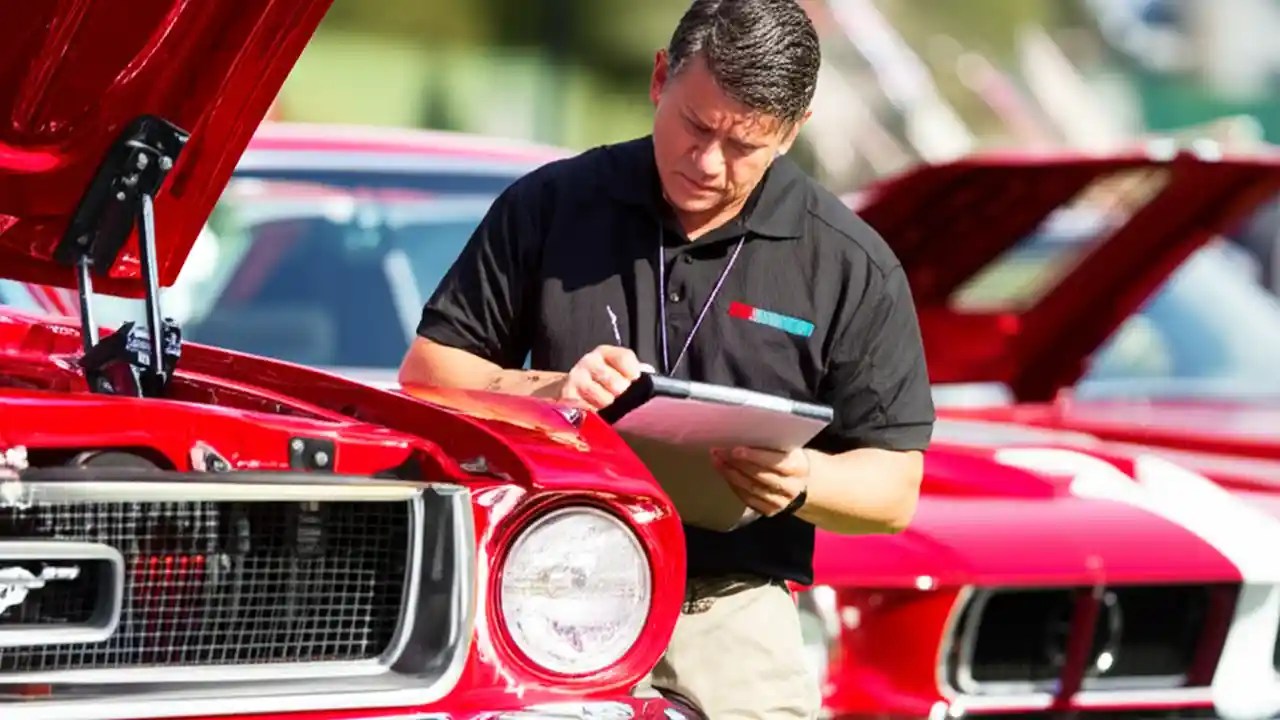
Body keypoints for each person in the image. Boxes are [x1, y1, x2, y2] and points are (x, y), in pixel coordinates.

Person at [398, 0, 935, 716]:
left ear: (794, 131)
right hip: (543, 589)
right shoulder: (553, 203)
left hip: (734, 610)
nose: (710, 163)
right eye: (696, 125)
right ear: (660, 78)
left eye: (746, 146)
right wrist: (553, 389)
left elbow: (895, 490)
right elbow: (429, 375)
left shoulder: (852, 265)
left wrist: (799, 478)